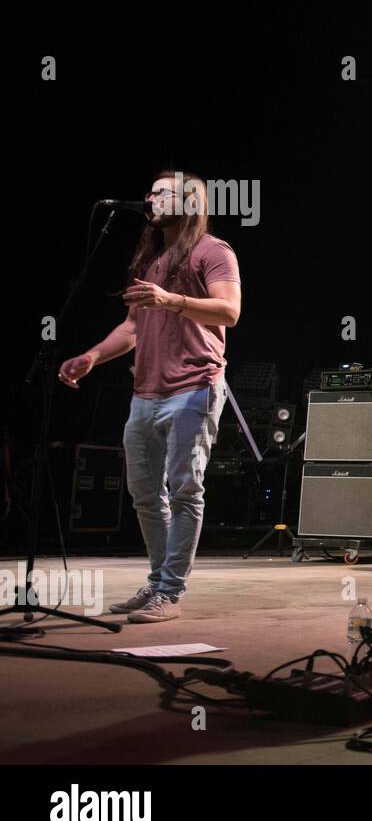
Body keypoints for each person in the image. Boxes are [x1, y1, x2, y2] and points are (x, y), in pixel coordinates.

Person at [58, 171, 241, 623]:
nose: (150, 197)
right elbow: (134, 327)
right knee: (143, 492)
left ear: (190, 201)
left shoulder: (212, 251)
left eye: (162, 192)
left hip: (194, 388)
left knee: (184, 489)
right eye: (151, 191)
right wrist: (92, 356)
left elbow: (230, 311)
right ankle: (160, 580)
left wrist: (172, 300)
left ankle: (170, 592)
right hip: (146, 393)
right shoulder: (151, 258)